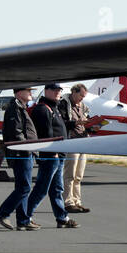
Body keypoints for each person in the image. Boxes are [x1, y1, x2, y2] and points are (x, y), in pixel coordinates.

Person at [26, 83, 77, 228]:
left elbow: (58, 127)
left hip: (57, 155)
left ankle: (62, 218)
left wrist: (74, 124)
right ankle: (25, 216)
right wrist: (52, 152)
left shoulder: (54, 107)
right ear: (46, 91)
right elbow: (46, 134)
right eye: (54, 90)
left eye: (59, 90)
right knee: (42, 188)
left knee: (56, 189)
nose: (57, 93)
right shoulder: (43, 109)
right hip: (51, 155)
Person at [0, 87, 39, 230]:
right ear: (19, 93)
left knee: (22, 187)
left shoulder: (21, 108)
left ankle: (23, 220)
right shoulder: (14, 109)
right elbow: (16, 132)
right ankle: (2, 213)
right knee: (24, 187)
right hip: (21, 153)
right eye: (28, 90)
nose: (31, 93)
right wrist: (26, 147)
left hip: (25, 152)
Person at [59, 83, 91, 214]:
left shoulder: (83, 106)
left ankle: (77, 201)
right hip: (72, 141)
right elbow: (61, 123)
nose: (82, 99)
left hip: (83, 141)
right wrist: (76, 123)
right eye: (81, 96)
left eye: (84, 96)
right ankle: (68, 202)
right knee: (69, 175)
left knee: (78, 176)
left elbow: (87, 121)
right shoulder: (63, 104)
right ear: (74, 92)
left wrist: (91, 126)